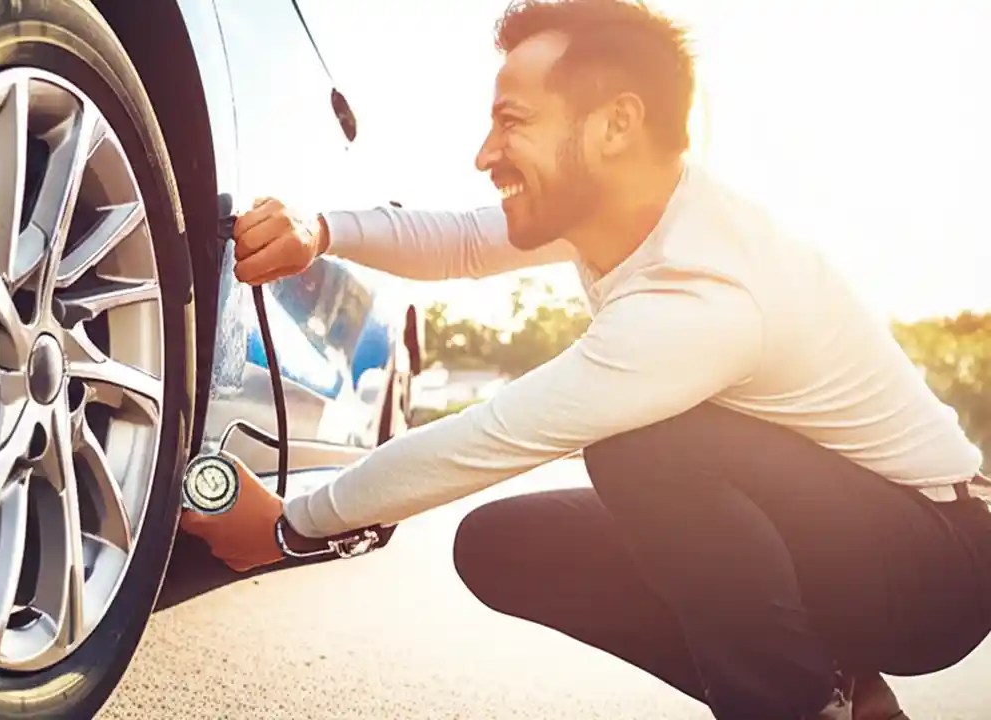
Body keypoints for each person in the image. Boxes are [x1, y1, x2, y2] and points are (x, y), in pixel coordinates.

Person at [179, 1, 991, 718]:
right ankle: (842, 692)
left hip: (938, 566)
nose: (485, 152)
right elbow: (462, 240)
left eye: (513, 121)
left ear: (615, 124)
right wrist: (320, 230)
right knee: (501, 547)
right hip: (842, 530)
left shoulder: (706, 286)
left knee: (643, 445)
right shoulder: (615, 203)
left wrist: (291, 527)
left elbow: (496, 433)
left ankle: (802, 709)